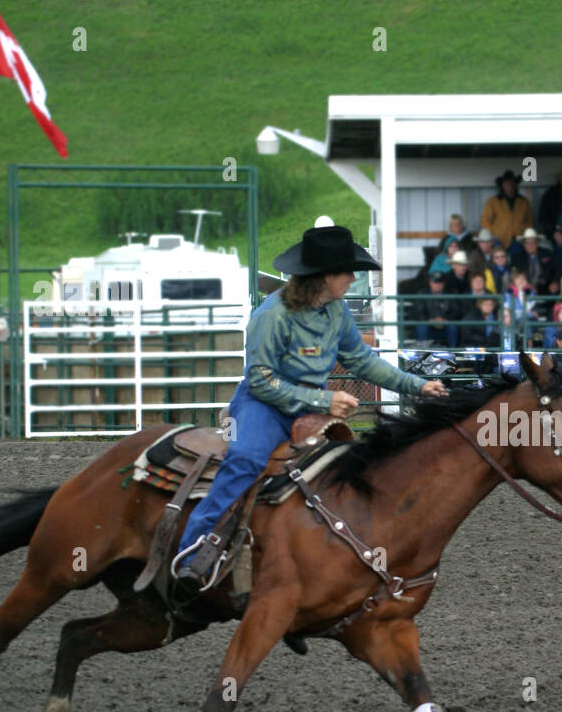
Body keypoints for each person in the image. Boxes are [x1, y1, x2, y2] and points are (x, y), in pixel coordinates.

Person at [175, 224, 447, 587]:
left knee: (345, 467)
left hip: (308, 409)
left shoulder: (336, 312)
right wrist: (324, 399)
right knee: (246, 460)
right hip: (263, 405)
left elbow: (362, 361)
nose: (353, 278)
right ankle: (191, 556)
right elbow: (261, 380)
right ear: (324, 277)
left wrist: (417, 385)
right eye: (347, 271)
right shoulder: (272, 315)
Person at [479, 170, 534, 252]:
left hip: (518, 240)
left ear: (516, 185)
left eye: (512, 183)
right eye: (507, 183)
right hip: (498, 240)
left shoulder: (524, 201)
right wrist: (495, 234)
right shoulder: (493, 201)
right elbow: (484, 220)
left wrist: (522, 231)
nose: (510, 185)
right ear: (502, 185)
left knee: (517, 262)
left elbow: (530, 220)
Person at [413, 271, 459, 348]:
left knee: (453, 327)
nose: (437, 285)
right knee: (421, 327)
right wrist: (429, 321)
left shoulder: (451, 293)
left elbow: (456, 311)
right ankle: (421, 354)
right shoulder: (422, 293)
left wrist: (445, 320)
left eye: (440, 282)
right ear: (430, 282)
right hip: (428, 327)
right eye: (435, 282)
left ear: (443, 283)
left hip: (446, 326)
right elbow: (417, 313)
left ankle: (453, 354)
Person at [510, 228, 557, 295]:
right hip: (526, 290)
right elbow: (515, 274)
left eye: (533, 242)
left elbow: (558, 269)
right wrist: (527, 284)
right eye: (527, 243)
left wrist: (555, 282)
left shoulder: (547, 253)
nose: (530, 245)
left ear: (537, 243)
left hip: (547, 289)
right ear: (523, 244)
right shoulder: (518, 258)